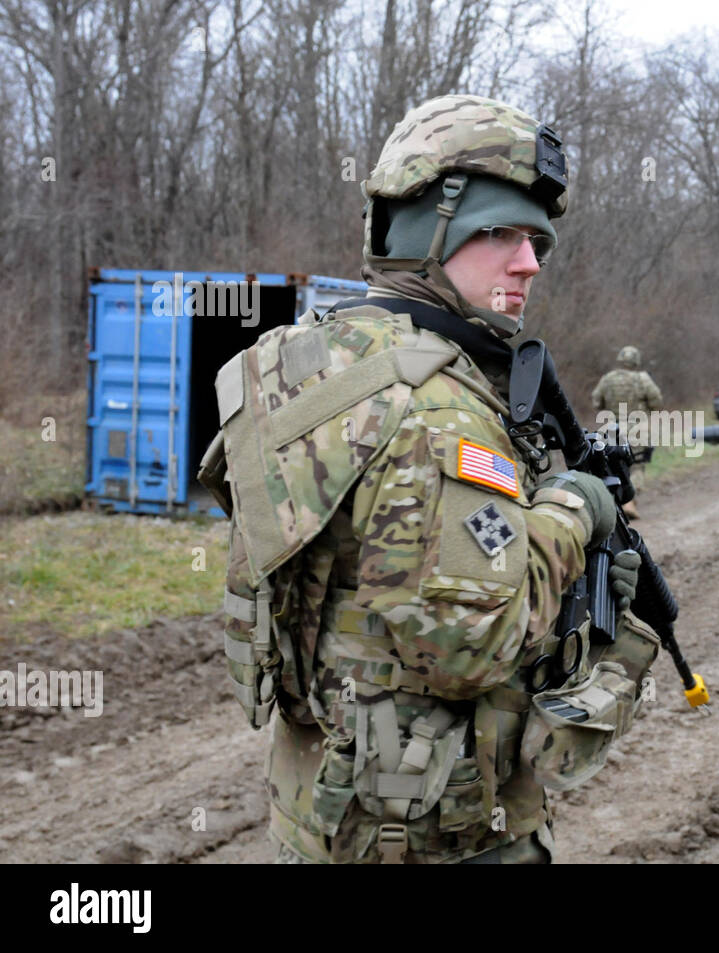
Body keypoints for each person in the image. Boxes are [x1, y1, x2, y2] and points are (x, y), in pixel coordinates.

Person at [200, 95, 660, 864]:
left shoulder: (310, 356)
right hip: (433, 833)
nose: (529, 263)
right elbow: (465, 645)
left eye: (537, 241)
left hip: (319, 808)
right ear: (423, 236)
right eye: (500, 234)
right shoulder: (435, 405)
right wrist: (575, 512)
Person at [591, 345, 662, 520]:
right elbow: (656, 402)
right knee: (637, 465)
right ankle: (629, 501)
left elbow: (596, 402)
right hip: (637, 428)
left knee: (615, 465)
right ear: (636, 361)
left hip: (612, 429)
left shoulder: (607, 379)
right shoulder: (642, 378)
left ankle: (617, 503)